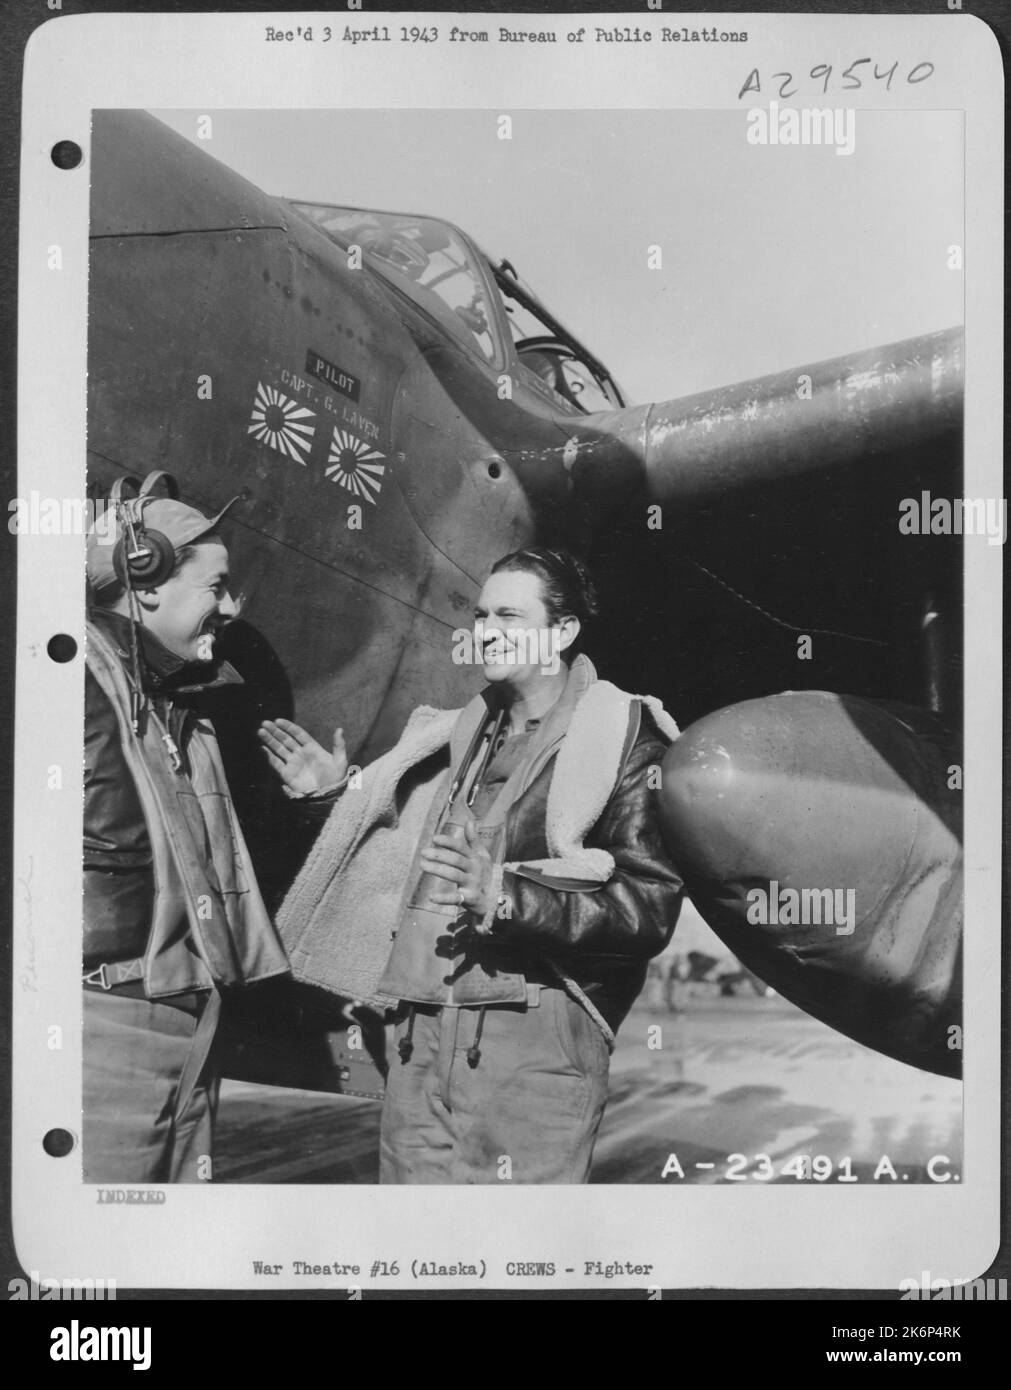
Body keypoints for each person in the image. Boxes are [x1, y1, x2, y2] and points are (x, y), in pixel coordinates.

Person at [265, 547, 684, 1183]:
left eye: (510, 616)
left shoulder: (624, 739)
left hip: (532, 1037)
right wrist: (336, 795)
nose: (485, 630)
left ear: (563, 632)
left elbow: (646, 910)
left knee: (513, 1259)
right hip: (420, 1037)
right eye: (481, 615)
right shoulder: (453, 736)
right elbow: (394, 848)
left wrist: (503, 896)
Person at [83, 473, 289, 1182]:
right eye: (216, 587)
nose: (232, 607)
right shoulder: (62, 679)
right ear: (146, 580)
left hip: (189, 1029)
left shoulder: (184, 713)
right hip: (98, 1034)